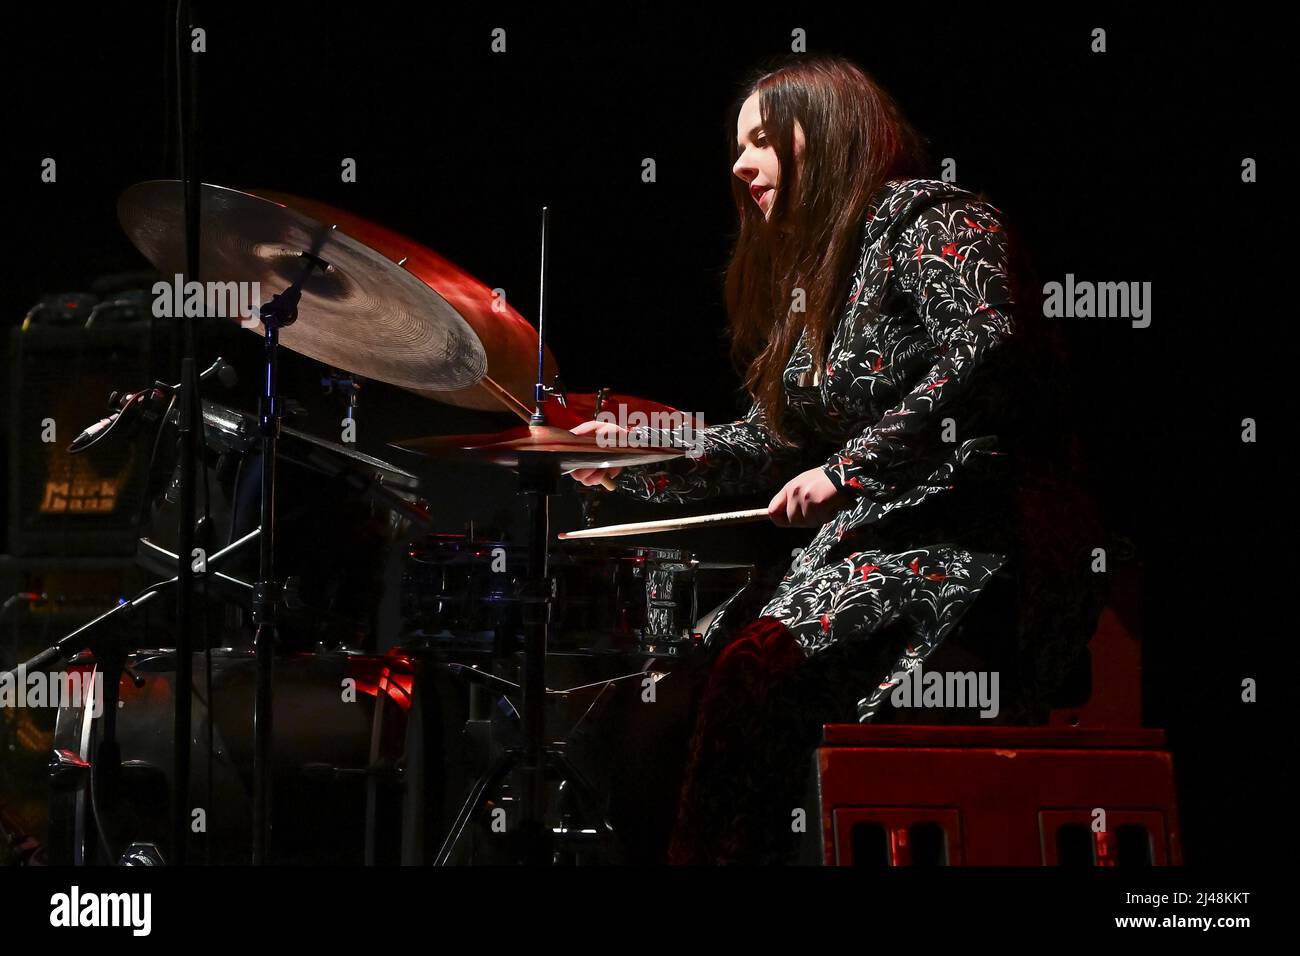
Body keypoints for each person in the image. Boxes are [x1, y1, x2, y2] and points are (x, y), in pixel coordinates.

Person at [571, 55, 1099, 864]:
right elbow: (765, 440)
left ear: (822, 135)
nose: (740, 163)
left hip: (978, 543)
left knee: (759, 675)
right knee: (647, 710)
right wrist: (634, 454)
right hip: (880, 542)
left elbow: (988, 348)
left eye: (760, 139)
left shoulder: (934, 217)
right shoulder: (823, 280)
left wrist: (849, 471)